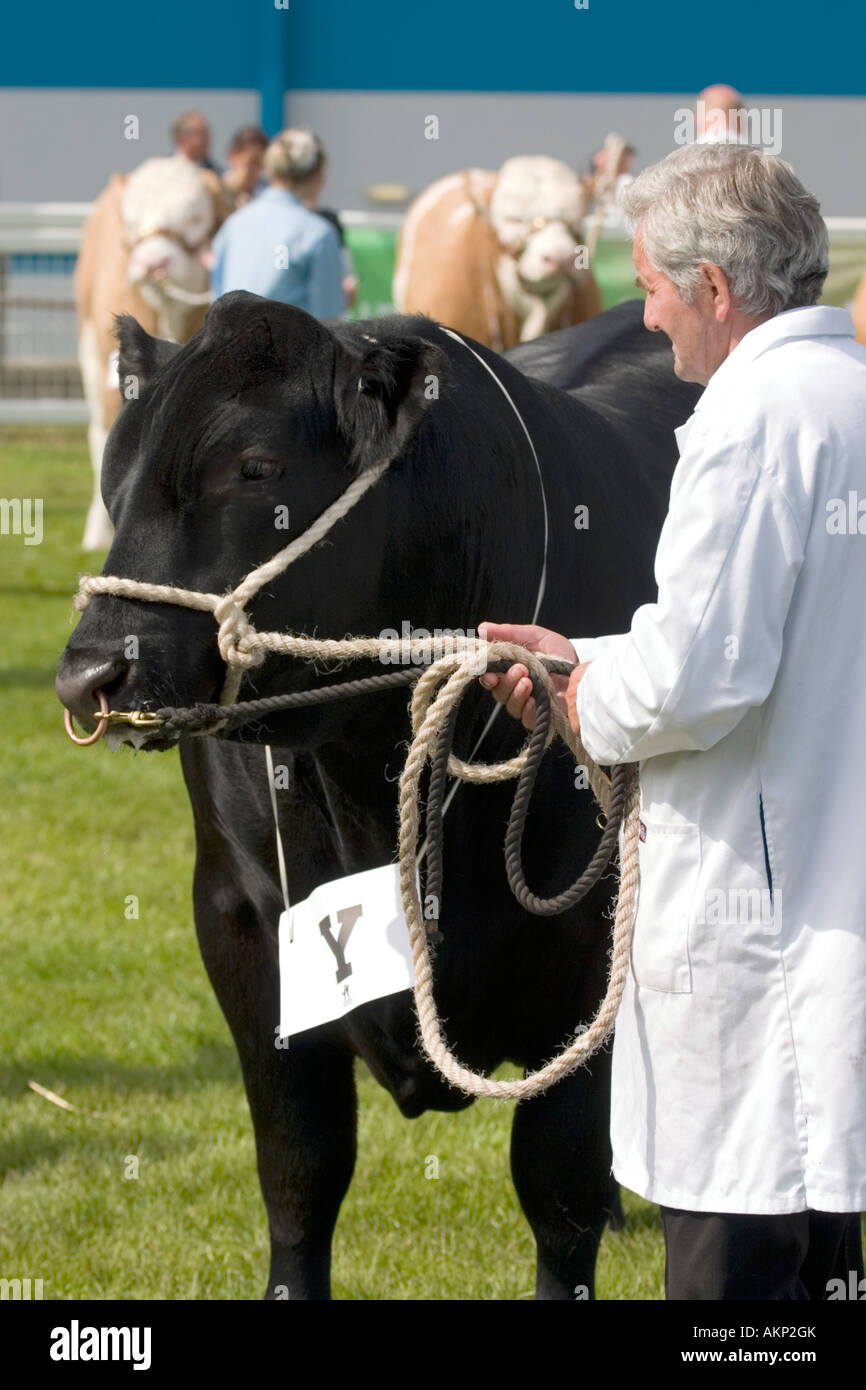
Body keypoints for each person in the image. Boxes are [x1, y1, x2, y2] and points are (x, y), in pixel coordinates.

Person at [479, 143, 866, 1300]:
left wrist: (575, 696)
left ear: (712, 288)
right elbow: (768, 642)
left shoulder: (749, 419)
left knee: (732, 1286)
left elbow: (699, 683)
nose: (642, 319)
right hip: (827, 910)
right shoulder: (848, 392)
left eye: (649, 286)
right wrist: (586, 654)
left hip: (760, 946)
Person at [209, 127, 346, 319]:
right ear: (315, 177)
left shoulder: (233, 225)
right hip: (290, 347)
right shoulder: (318, 233)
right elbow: (328, 321)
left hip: (230, 345)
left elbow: (217, 303)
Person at [221, 125, 268, 209]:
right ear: (232, 155)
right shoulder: (217, 191)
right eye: (252, 162)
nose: (257, 170)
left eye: (260, 164)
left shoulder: (266, 195)